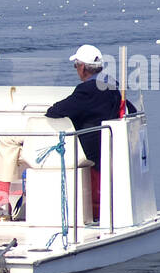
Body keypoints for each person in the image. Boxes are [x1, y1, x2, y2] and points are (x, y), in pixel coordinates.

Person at [44, 45, 136, 222]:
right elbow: (129, 109)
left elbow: (55, 111)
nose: (76, 70)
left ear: (83, 68)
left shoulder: (87, 90)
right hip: (105, 145)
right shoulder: (110, 85)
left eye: (76, 66)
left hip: (89, 149)